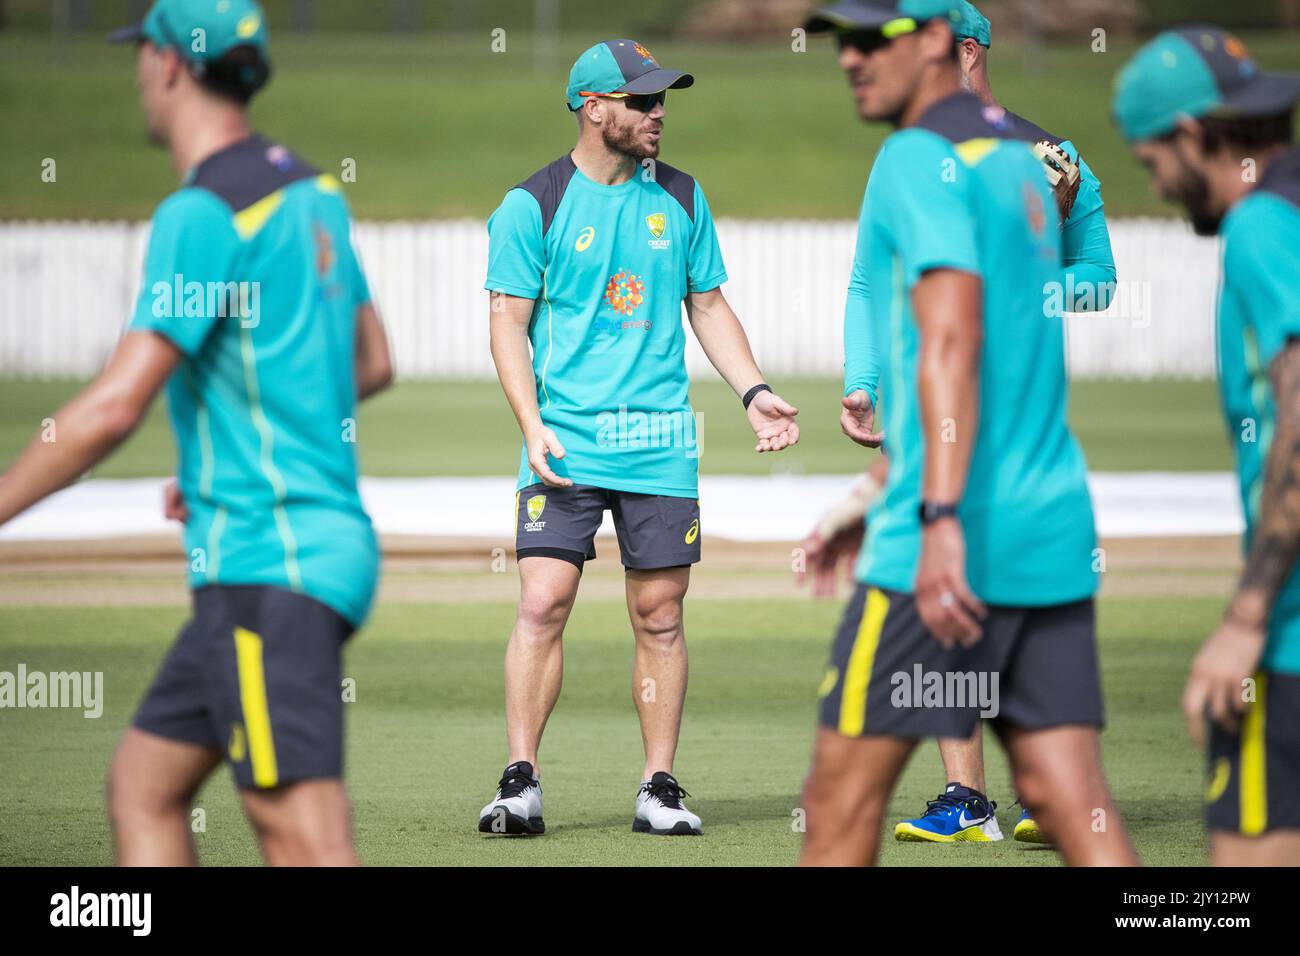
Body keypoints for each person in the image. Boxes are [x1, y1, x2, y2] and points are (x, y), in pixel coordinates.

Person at [0, 0, 392, 865]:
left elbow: (113, 407)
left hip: (268, 561)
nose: (139, 74)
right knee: (144, 785)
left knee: (303, 841)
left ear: (170, 63)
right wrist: (236, 445)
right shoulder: (312, 192)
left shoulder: (202, 211)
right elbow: (371, 362)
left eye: (141, 55)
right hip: (305, 548)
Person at [796, 0, 1136, 866]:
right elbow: (992, 339)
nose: (850, 59)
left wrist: (929, 511)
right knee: (1072, 800)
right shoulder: (1035, 169)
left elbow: (950, 337)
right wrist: (873, 481)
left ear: (947, 44)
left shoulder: (918, 156)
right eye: (846, 41)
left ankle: (967, 797)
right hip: (1051, 521)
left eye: (876, 39)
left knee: (837, 801)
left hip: (939, 527)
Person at [479, 38, 799, 836]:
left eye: (663, 100)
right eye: (642, 101)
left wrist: (754, 393)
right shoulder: (533, 204)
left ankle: (659, 786)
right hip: (564, 443)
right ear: (594, 109)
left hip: (660, 443)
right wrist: (532, 425)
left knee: (659, 614)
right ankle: (521, 781)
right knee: (543, 599)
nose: (659, 113)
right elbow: (506, 325)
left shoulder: (683, 197)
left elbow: (710, 306)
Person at [1114, 25, 1300, 866]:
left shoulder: (1262, 226)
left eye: (1152, 163)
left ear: (1192, 135)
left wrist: (1246, 618)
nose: (1157, 188)